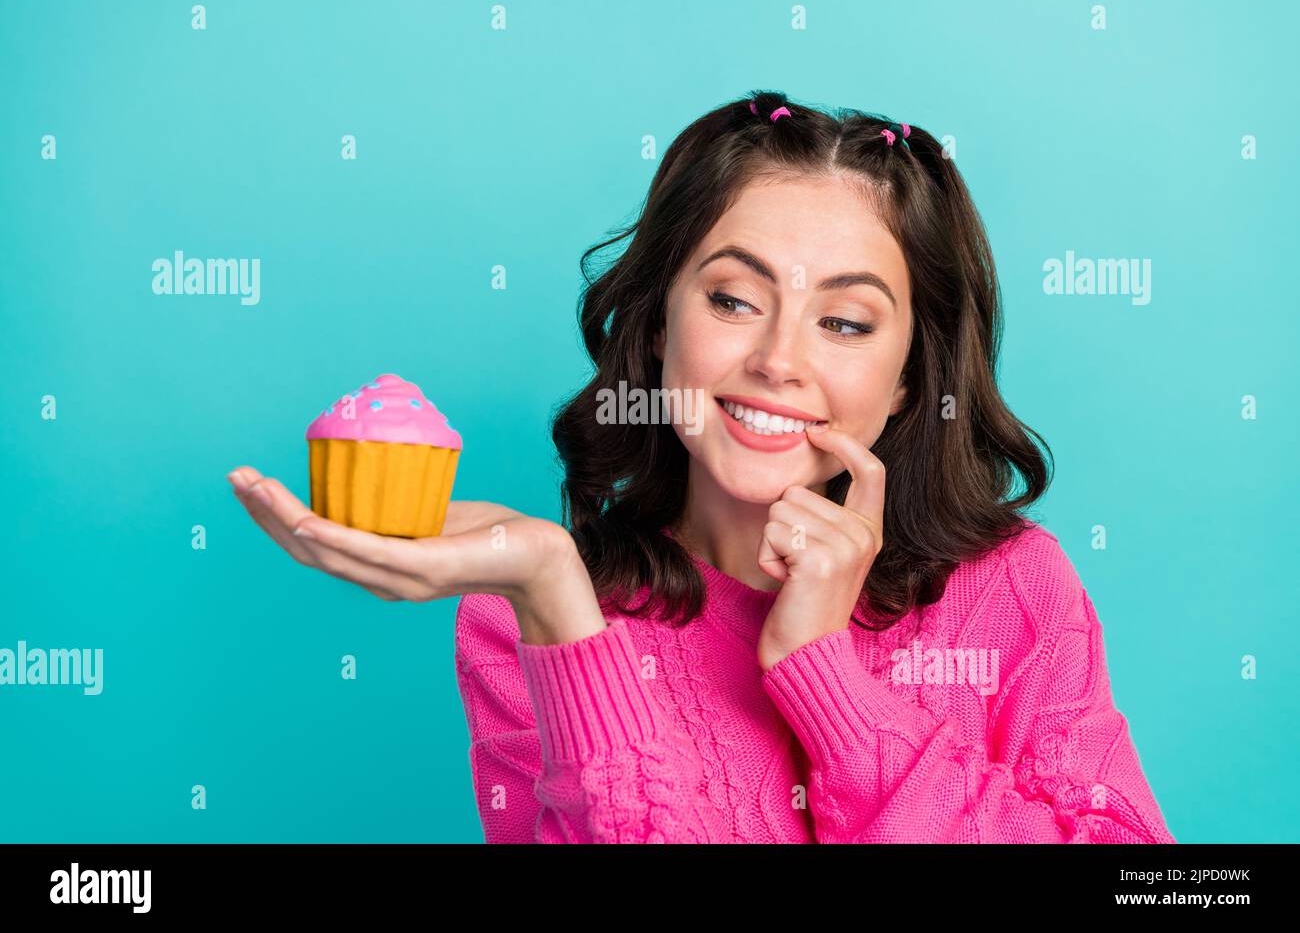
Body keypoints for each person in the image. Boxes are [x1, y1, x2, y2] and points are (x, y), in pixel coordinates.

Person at [228, 90, 1176, 844]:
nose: (778, 360)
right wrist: (559, 606)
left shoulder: (1009, 589)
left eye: (844, 322)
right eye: (732, 300)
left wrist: (825, 677)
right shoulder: (521, 621)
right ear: (657, 326)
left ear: (903, 382)